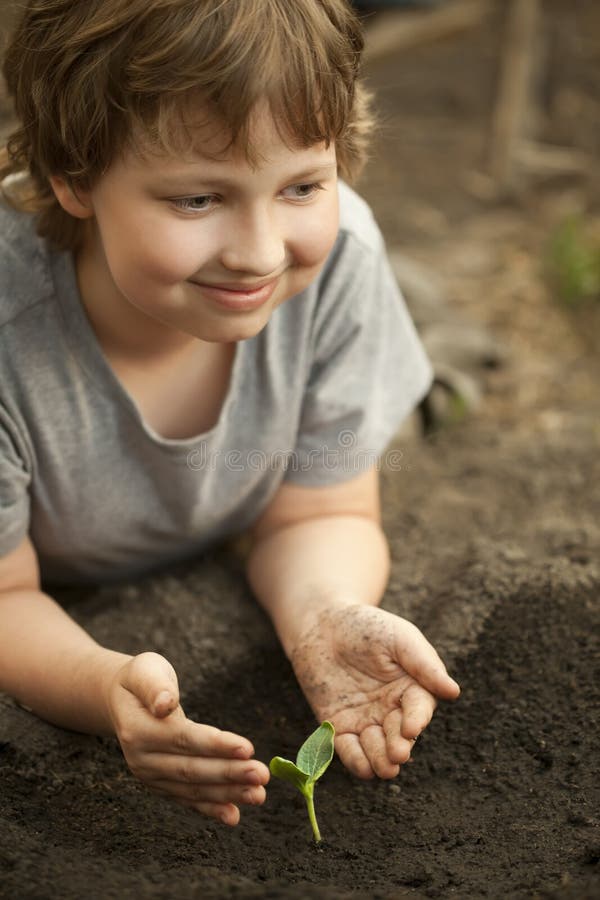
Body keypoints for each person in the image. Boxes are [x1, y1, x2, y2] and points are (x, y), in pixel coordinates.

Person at [0, 0, 460, 828]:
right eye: (197, 200)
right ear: (73, 176)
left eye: (302, 186)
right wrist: (105, 689)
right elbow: (5, 596)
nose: (260, 251)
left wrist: (323, 613)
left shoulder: (339, 267)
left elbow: (321, 508)